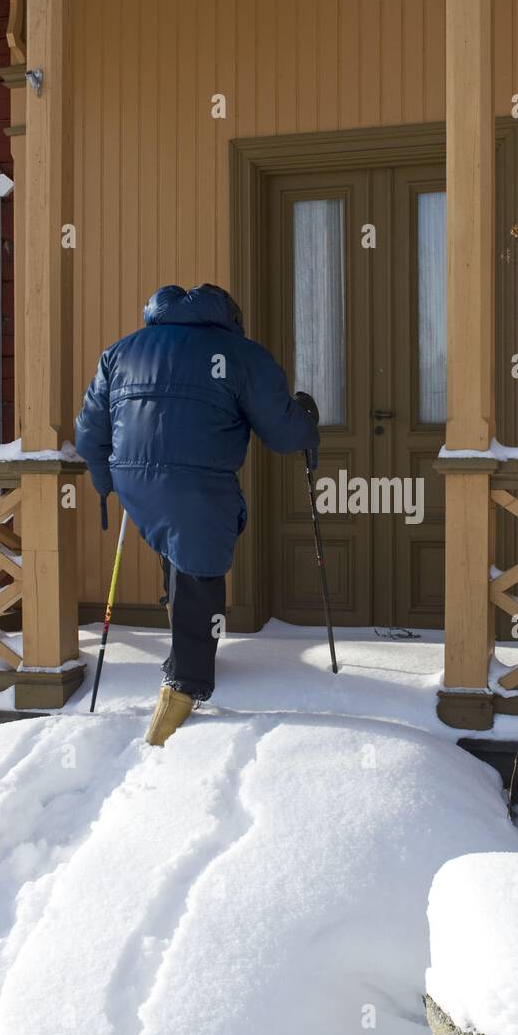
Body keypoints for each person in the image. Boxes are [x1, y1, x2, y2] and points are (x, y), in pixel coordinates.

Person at [75, 283, 319, 746]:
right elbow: (283, 433)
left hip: (134, 480)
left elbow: (89, 433)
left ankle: (183, 644)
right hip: (198, 481)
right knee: (199, 569)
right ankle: (183, 690)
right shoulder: (240, 354)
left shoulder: (121, 352)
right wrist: (307, 421)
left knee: (176, 552)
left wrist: (107, 482)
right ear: (228, 316)